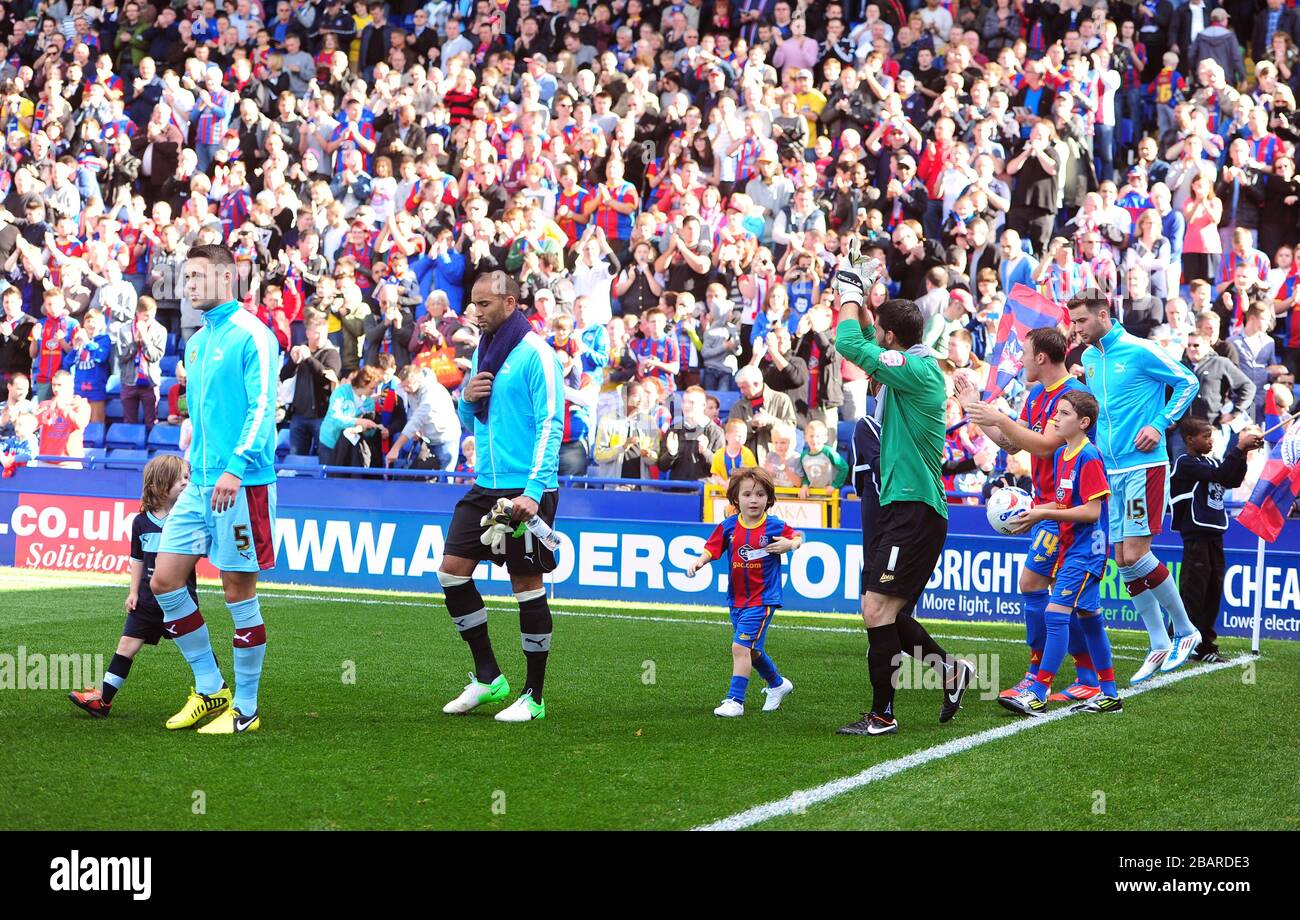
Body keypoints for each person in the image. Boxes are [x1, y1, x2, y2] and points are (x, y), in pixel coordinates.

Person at [830, 257, 975, 736]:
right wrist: (869, 290)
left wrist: (849, 289)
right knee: (889, 612)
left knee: (876, 609)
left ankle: (882, 715)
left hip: (915, 508)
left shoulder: (918, 369)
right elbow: (868, 338)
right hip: (908, 506)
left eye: (883, 333)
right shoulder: (910, 363)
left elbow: (849, 341)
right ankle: (950, 672)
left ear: (892, 337)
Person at [150, 244, 280, 735]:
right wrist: (194, 463)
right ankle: (210, 689)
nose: (187, 287)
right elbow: (200, 414)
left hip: (241, 485)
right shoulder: (198, 341)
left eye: (197, 277)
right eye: (185, 279)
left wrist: (234, 467)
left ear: (227, 279)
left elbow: (263, 407)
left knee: (236, 592)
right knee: (164, 581)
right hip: (199, 483)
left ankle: (245, 709)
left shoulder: (254, 335)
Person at [438, 271, 564, 724]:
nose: (476, 312)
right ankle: (489, 677)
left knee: (525, 585)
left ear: (510, 303)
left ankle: (534, 695)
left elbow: (552, 425)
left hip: (525, 487)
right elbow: (474, 426)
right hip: (486, 485)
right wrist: (466, 402)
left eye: (484, 304)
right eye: (473, 304)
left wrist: (534, 491)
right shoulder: (483, 354)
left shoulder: (537, 355)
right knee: (452, 573)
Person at [960, 328, 1101, 702]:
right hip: (1047, 505)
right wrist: (977, 410)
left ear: (1041, 357)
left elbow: (1042, 447)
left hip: (1065, 509)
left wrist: (998, 416)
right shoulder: (1038, 394)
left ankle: (1040, 677)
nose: (1019, 359)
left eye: (1023, 352)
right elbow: (1013, 442)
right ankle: (1084, 675)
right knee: (1059, 596)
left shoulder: (1074, 397)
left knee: (1037, 586)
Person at [1068, 289, 1202, 683]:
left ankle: (1187, 630)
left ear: (1103, 314)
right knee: (1123, 559)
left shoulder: (1140, 349)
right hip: (1112, 471)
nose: (1076, 329)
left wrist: (1158, 423)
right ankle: (1159, 641)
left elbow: (1187, 381)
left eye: (1081, 321)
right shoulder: (1090, 359)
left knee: (1138, 554)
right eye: (1073, 322)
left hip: (1145, 464)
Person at [999, 391, 1122, 715]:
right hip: (1072, 547)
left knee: (1056, 614)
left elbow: (1092, 512)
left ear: (1083, 422)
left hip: (1088, 549)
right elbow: (1065, 504)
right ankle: (1108, 692)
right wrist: (1034, 513)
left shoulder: (1089, 456)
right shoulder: (1062, 455)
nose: (1055, 418)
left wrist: (1044, 514)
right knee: (1090, 619)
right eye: (1056, 412)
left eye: (1064, 413)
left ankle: (1038, 691)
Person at [68, 456, 211, 717]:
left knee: (196, 649)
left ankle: (214, 694)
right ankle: (103, 701)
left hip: (179, 598)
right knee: (126, 646)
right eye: (181, 479)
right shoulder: (141, 522)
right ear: (160, 485)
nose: (186, 483)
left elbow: (201, 550)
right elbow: (137, 559)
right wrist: (133, 591)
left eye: (188, 478)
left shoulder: (187, 519)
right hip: (146, 601)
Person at [687, 467, 801, 717]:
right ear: (735, 498)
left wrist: (790, 544)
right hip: (737, 599)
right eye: (747, 494)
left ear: (768, 499)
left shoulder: (774, 525)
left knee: (739, 647)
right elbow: (712, 548)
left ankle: (734, 701)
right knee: (751, 650)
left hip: (763, 599)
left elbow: (798, 537)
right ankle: (777, 684)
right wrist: (700, 560)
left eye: (760, 494)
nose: (753, 499)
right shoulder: (728, 526)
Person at [1171, 418, 1264, 664]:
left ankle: (1205, 645)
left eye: (1211, 436)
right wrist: (1238, 448)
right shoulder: (1185, 463)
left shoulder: (1211, 461)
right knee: (1193, 590)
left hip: (1214, 534)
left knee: (1212, 591)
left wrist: (1242, 454)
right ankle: (1182, 641)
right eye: (1205, 437)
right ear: (1190, 440)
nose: (1210, 441)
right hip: (1196, 534)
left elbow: (1231, 479)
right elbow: (1220, 474)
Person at [280, 315, 341, 458]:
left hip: (321, 416)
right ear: (307, 333)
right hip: (299, 415)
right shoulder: (301, 349)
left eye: (323, 333)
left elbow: (326, 377)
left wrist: (309, 359)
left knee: (323, 457)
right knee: (295, 458)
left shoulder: (332, 353)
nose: (320, 337)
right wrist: (293, 362)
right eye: (316, 332)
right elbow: (283, 376)